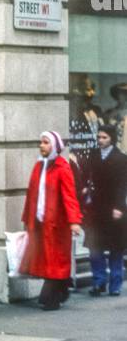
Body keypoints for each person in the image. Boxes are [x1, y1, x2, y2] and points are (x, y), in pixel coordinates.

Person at [19, 131, 83, 310]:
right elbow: (31, 195)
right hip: (41, 223)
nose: (42, 146)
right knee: (46, 260)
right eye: (41, 142)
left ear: (54, 146)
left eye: (46, 142)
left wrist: (74, 220)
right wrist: (27, 218)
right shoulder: (39, 166)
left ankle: (51, 297)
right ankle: (61, 288)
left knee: (55, 261)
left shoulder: (63, 168)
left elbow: (69, 196)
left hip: (57, 225)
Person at [82, 125, 127, 297]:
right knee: (95, 247)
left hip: (114, 209)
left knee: (116, 248)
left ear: (112, 139)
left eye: (104, 137)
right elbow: (87, 175)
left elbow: (123, 185)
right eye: (99, 137)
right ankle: (98, 281)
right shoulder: (93, 155)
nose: (100, 140)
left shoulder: (121, 159)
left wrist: (119, 207)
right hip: (96, 208)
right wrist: (86, 189)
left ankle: (115, 284)